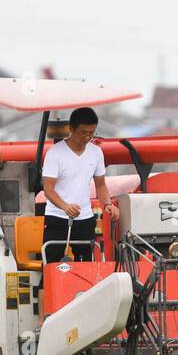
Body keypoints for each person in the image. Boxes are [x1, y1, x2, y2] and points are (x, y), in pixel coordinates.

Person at [40, 106, 116, 262]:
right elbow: (48, 189)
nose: (88, 137)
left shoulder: (96, 152)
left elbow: (101, 185)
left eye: (92, 132)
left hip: (85, 217)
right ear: (71, 129)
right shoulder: (55, 153)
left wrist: (107, 204)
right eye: (83, 132)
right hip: (57, 216)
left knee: (85, 264)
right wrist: (65, 206)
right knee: (52, 263)